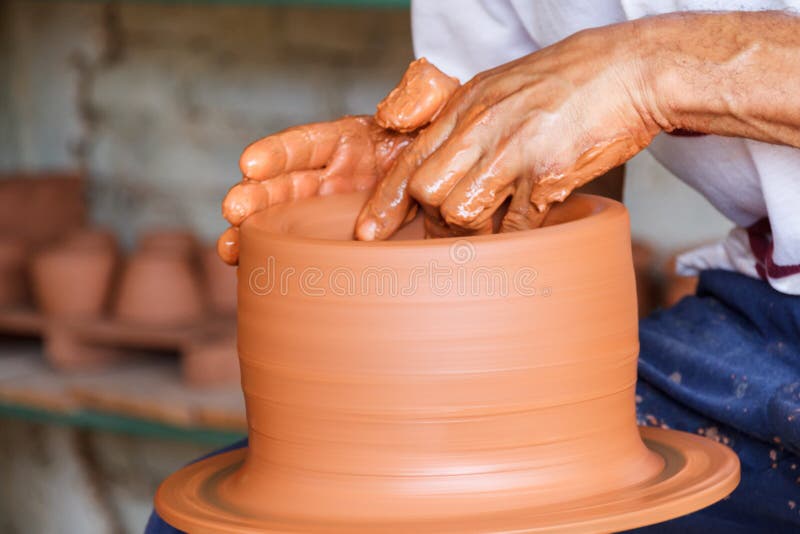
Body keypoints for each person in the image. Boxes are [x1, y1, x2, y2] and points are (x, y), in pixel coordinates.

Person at [149, 2, 800, 532]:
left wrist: (655, 65)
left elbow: (626, 75)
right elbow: (541, 181)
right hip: (764, 315)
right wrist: (444, 171)